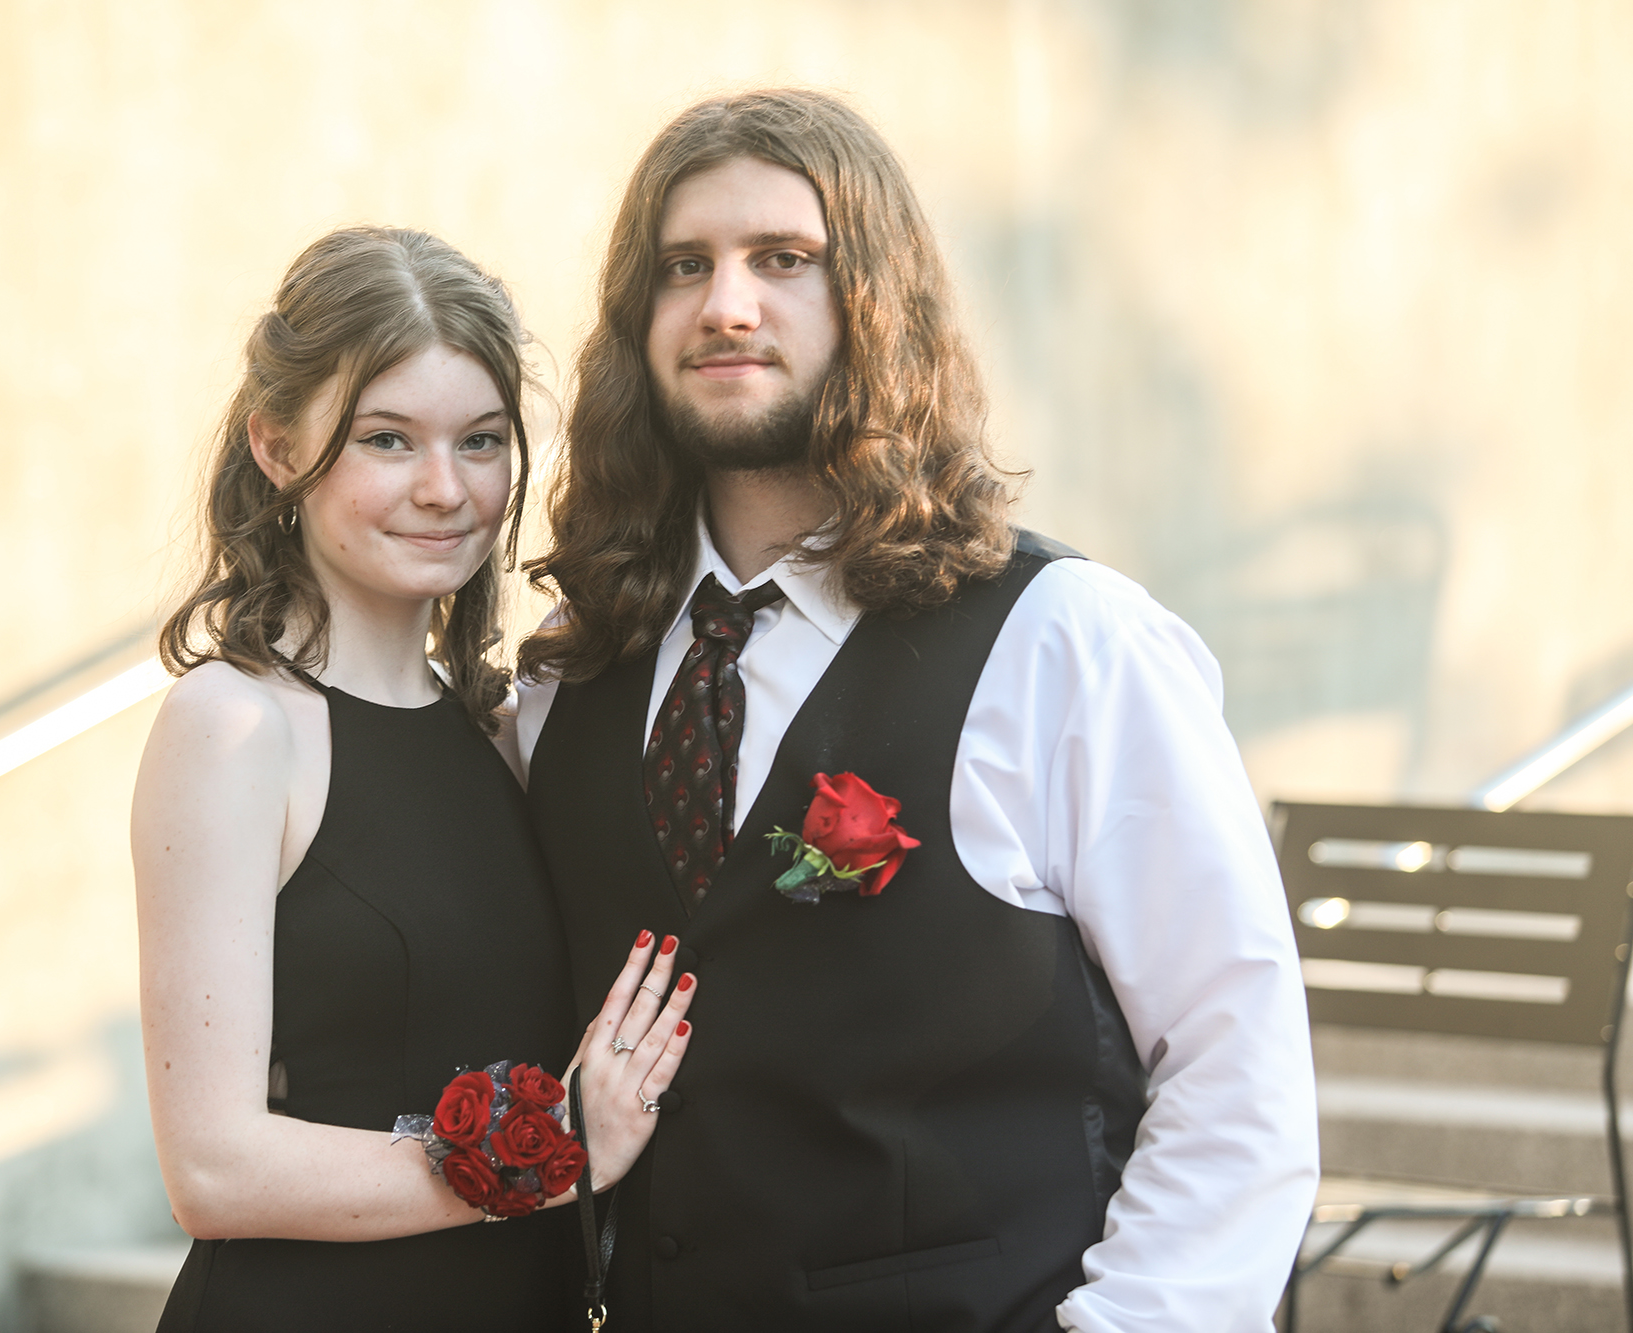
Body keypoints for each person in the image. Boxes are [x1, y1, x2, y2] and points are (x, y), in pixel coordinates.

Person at [513, 90, 1318, 1332]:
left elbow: (1234, 1062)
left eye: (783, 260)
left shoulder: (1064, 641)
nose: (727, 304)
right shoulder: (567, 685)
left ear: (875, 305)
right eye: (685, 268)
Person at [133, 226, 695, 1332]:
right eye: (387, 440)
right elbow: (212, 1167)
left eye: (480, 442)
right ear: (275, 444)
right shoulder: (235, 726)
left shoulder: (502, 726)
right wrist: (547, 1156)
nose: (445, 490)